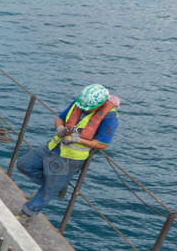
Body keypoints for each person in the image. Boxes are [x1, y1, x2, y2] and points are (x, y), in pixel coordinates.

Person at [15, 84, 120, 221]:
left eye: (88, 108)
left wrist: (76, 139)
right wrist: (59, 128)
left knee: (49, 188)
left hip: (70, 158)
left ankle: (27, 213)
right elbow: (61, 119)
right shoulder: (79, 103)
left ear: (100, 105)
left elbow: (102, 143)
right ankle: (57, 186)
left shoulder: (110, 118)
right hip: (53, 146)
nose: (84, 109)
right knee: (23, 165)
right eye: (82, 106)